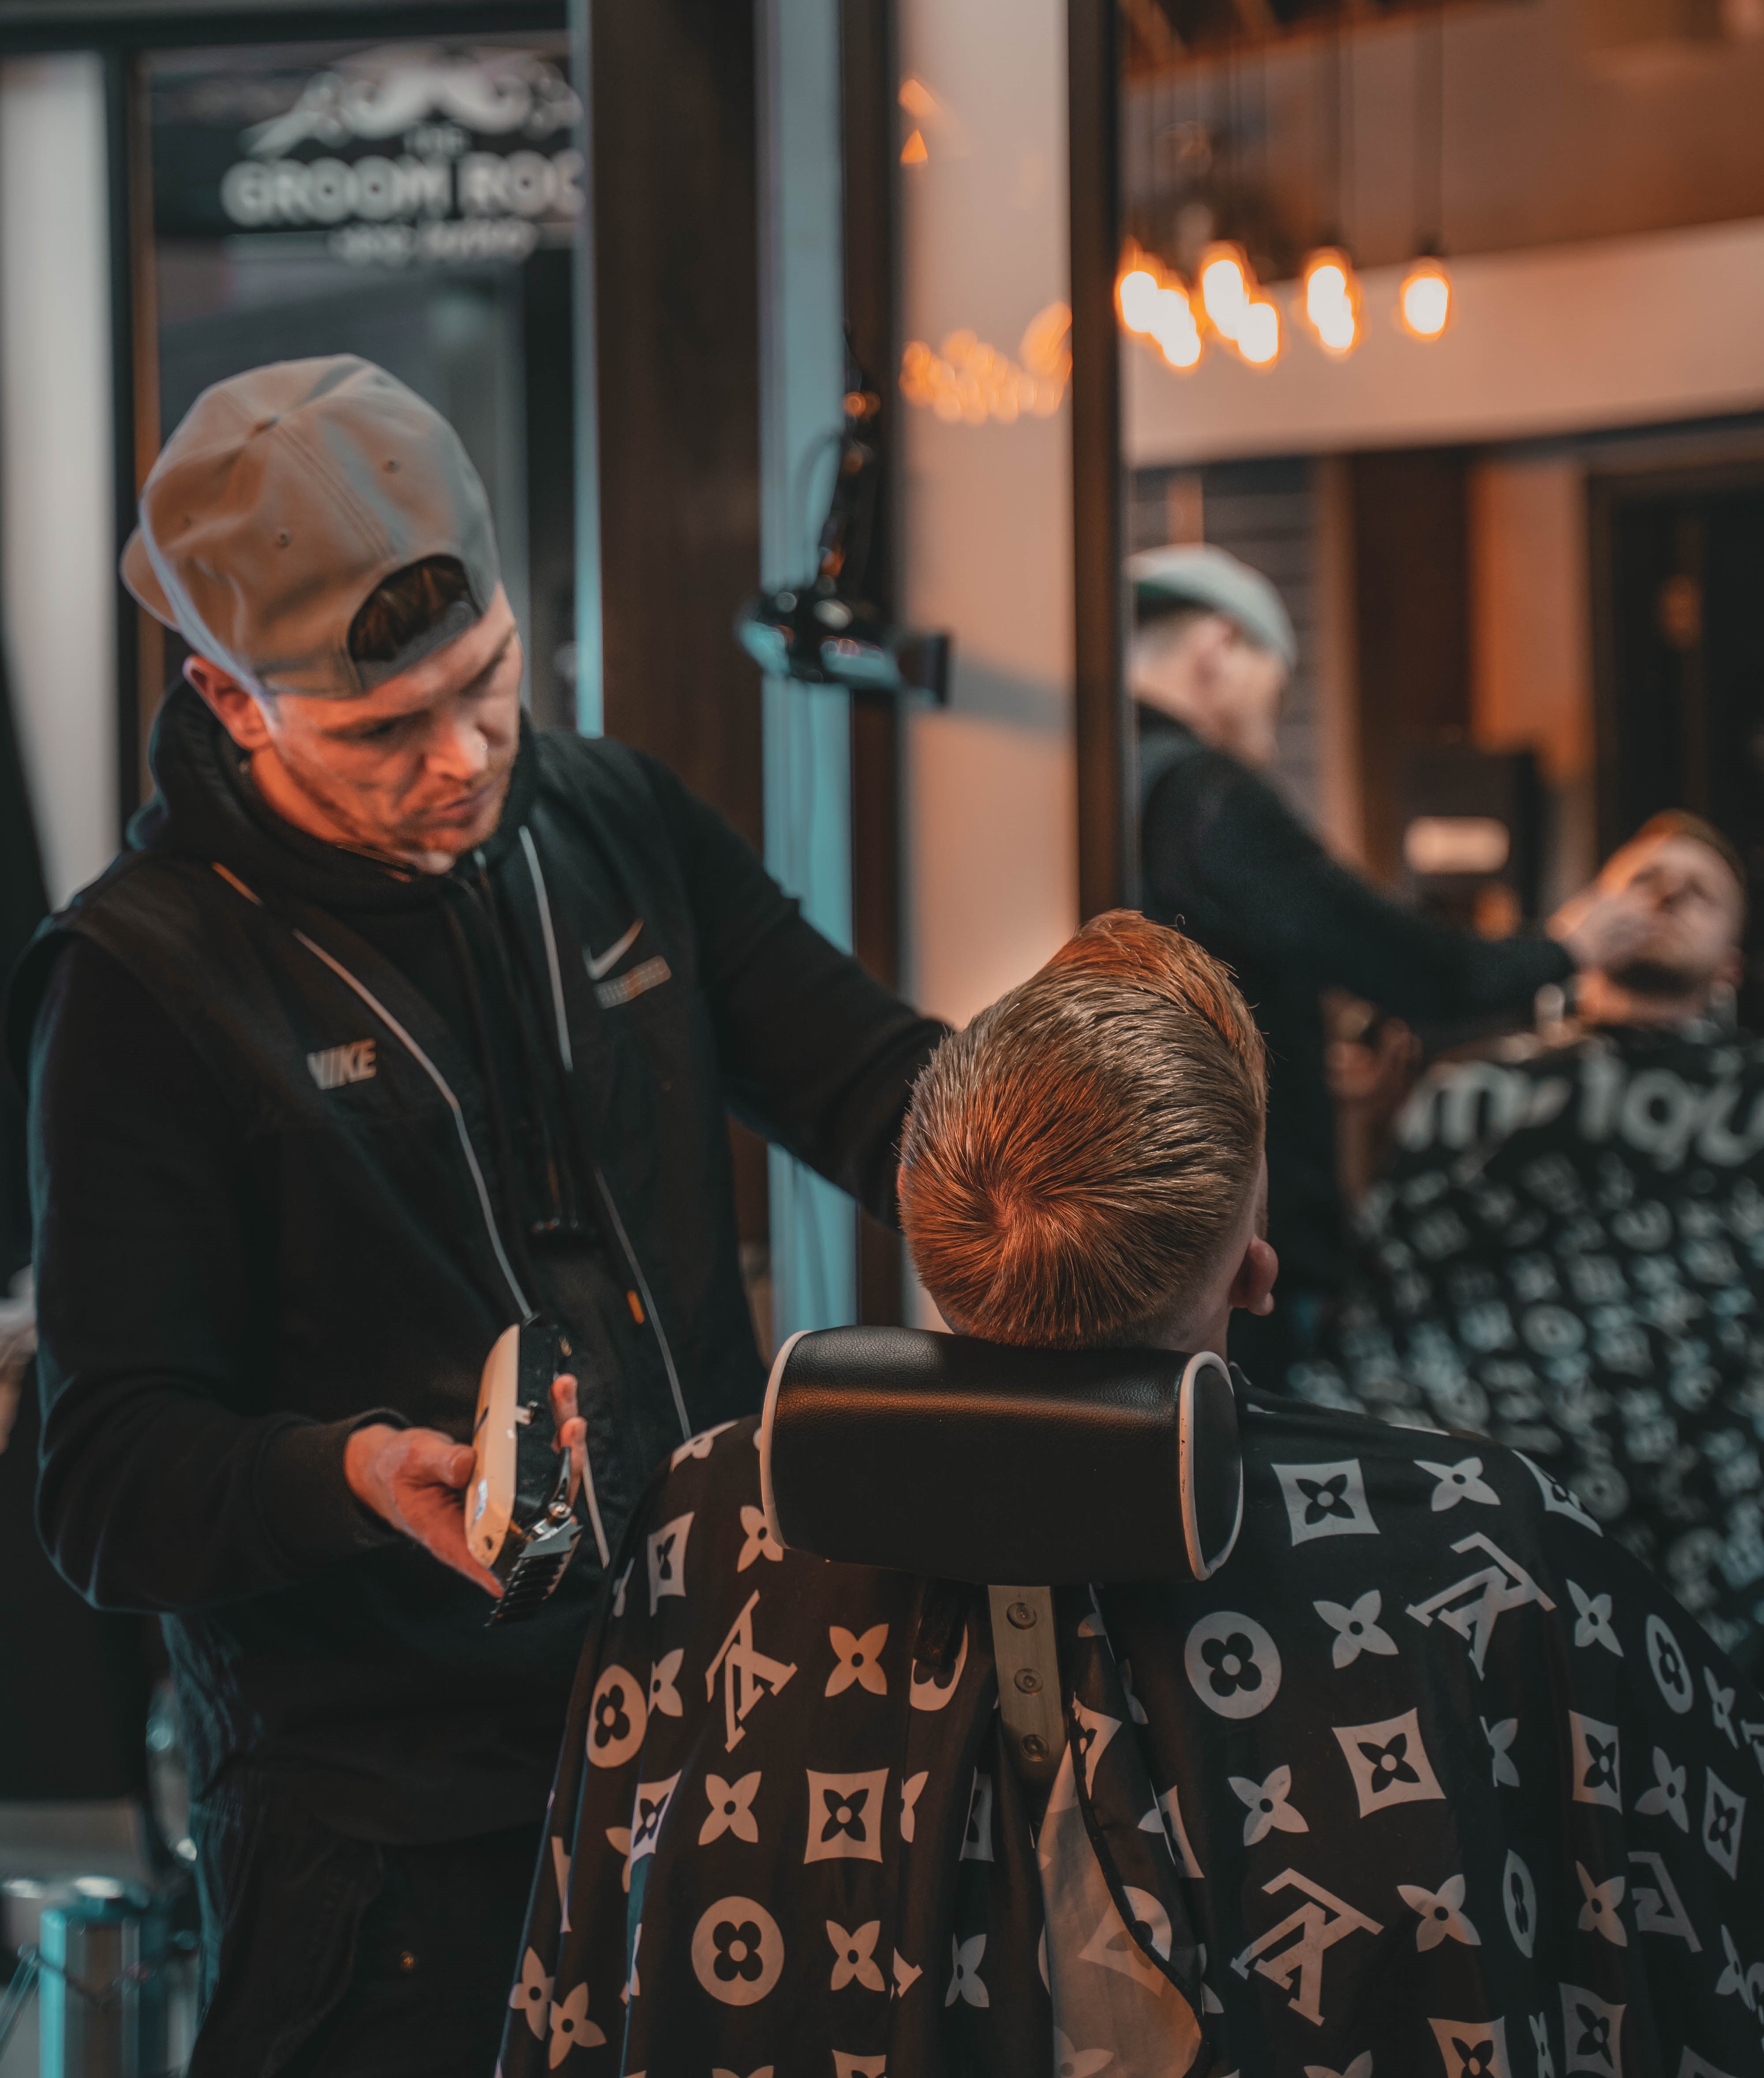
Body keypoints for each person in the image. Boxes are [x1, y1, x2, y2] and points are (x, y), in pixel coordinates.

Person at [5, 356, 944, 2077]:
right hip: (392, 1851)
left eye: (489, 683)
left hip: (725, 1742)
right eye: (382, 731)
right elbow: (108, 1482)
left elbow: (877, 1085)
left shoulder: (611, 819)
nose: (460, 761)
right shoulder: (141, 982)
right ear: (230, 697)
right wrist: (355, 1475)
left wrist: (1092, 1180)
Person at [504, 911, 1762, 2078]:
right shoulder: (1474, 1544)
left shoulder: (713, 1516)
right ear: (1254, 1267)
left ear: (935, 1244)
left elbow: (586, 1967)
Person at [1130, 543, 1647, 1382]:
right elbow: (1418, 969)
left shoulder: (1098, 783)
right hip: (1232, 1260)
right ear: (1218, 648)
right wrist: (1567, 947)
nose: (1274, 729)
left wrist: (1312, 1065)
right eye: (1279, 693)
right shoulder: (1204, 794)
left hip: (1137, 1229)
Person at [1294, 812, 1764, 1677]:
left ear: (1730, 965)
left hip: (1697, 1428)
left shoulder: (1752, 1096)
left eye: (1695, 892)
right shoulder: (1474, 1086)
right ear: (1592, 916)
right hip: (1475, 1413)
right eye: (1643, 881)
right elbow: (1391, 1277)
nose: (1665, 896)